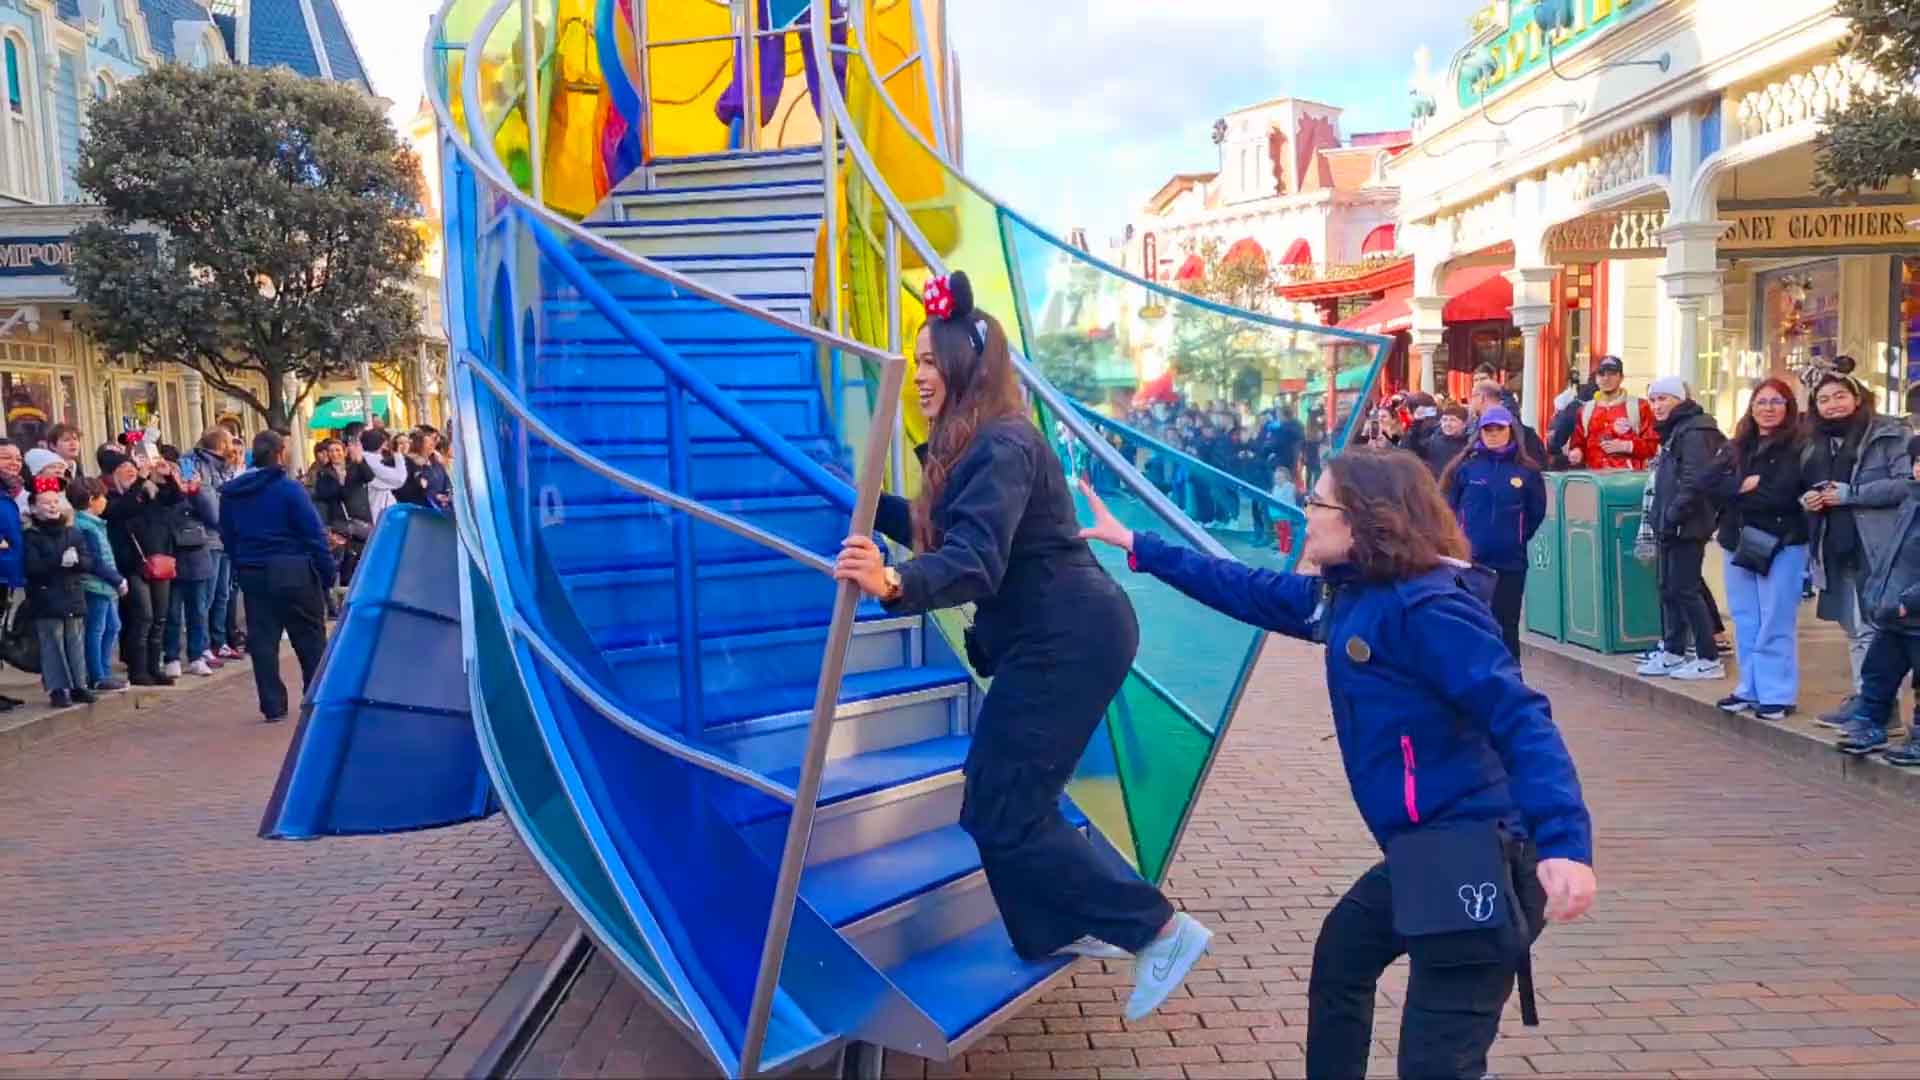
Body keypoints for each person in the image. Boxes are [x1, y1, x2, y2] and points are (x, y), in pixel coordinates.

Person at [1079, 447, 1594, 1080]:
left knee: (1437, 1066)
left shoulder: (1429, 610)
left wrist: (1565, 844)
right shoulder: (1355, 595)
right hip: (1426, 853)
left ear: (1363, 519)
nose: (1307, 514)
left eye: (1318, 502)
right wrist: (1138, 543)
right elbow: (1248, 589)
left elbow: (1521, 718)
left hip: (1485, 862)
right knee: (1343, 956)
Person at [830, 272, 1210, 1021]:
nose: (920, 378)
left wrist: (894, 582)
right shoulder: (980, 445)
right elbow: (947, 529)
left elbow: (972, 559)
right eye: (917, 363)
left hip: (1066, 637)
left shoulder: (1003, 443)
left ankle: (1160, 929)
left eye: (932, 363)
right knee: (1000, 803)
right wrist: (864, 500)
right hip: (1061, 634)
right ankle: (1055, 927)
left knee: (1003, 805)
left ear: (968, 367)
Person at [1801, 361, 1911, 729]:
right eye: (1823, 399)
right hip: (1835, 545)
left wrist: (1853, 495)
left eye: (1839, 396)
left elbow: (1905, 484)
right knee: (1854, 628)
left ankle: (1879, 709)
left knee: (1876, 629)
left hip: (1878, 547)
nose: (1832, 405)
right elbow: (1813, 485)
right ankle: (1868, 700)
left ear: (1857, 397)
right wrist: (1810, 500)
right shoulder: (1816, 442)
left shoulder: (1888, 433)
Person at [1706, 379, 1809, 721]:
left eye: (1776, 402)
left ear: (1788, 407)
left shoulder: (1800, 446)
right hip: (1738, 541)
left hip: (1782, 543)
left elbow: (1783, 494)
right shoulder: (1737, 446)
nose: (1768, 408)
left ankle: (1777, 693)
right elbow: (1708, 484)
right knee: (1746, 618)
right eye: (1761, 401)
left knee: (1775, 619)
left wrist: (1740, 492)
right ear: (1751, 407)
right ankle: (1749, 687)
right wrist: (1740, 487)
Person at [219, 429, 336, 722]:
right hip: (293, 569)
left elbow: (228, 535)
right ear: (280, 453)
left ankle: (272, 704)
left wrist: (242, 563)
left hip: (254, 571)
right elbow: (313, 534)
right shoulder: (289, 489)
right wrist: (326, 571)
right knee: (310, 639)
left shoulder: (234, 493)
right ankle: (315, 698)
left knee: (263, 640)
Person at [1637, 378, 1728, 680]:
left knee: (1685, 590)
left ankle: (1708, 656)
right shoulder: (1677, 430)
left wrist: (1674, 514)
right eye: (1654, 400)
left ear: (1680, 399)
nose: (1658, 405)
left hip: (1686, 524)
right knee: (1669, 588)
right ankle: (1673, 651)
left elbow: (1694, 480)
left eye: (1664, 398)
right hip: (1671, 523)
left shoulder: (1695, 431)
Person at [1836, 436, 1920, 759]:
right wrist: (1876, 593)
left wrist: (1908, 602)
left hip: (1910, 611)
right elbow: (1890, 556)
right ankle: (1871, 724)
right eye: (1916, 461)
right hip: (1893, 614)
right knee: (1878, 672)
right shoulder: (1910, 503)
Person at [1442, 406, 1548, 660]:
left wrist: (1516, 539)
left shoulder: (1527, 471)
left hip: (1510, 563)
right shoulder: (1465, 468)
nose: (1493, 434)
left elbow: (1536, 513)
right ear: (1479, 432)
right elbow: (1448, 509)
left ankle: (1511, 684)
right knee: (1472, 625)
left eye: (1499, 429)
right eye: (1488, 429)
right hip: (1471, 563)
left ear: (1510, 430)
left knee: (1506, 626)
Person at [99, 446, 180, 687]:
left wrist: (167, 479)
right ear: (113, 473)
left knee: (159, 618)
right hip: (132, 564)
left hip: (159, 561)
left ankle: (155, 667)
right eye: (124, 469)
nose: (131, 472)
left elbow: (173, 500)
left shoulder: (146, 493)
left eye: (132, 468)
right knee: (142, 616)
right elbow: (122, 510)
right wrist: (141, 482)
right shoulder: (112, 497)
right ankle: (138, 668)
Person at [22, 476, 94, 708]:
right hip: (46, 597)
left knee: (74, 641)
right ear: (34, 507)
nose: (52, 506)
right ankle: (57, 688)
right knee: (52, 643)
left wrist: (77, 562)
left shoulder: (72, 532)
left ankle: (79, 685)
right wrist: (58, 561)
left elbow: (88, 561)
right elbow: (32, 567)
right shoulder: (31, 536)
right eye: (46, 502)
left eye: (55, 501)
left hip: (72, 594)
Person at [68, 476, 127, 693]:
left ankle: (104, 670)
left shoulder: (94, 524)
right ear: (92, 499)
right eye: (102, 497)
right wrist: (117, 579)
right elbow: (95, 561)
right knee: (97, 629)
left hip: (105, 585)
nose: (105, 502)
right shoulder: (85, 526)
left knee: (113, 626)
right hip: (95, 585)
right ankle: (97, 675)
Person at [190, 429, 243, 663]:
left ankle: (219, 640)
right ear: (221, 444)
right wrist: (225, 524)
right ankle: (201, 646)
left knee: (223, 594)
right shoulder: (201, 466)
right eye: (230, 441)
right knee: (207, 597)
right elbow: (209, 503)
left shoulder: (224, 467)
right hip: (211, 538)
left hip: (224, 539)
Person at [1566, 356, 1658, 470]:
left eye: (1612, 374)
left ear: (1621, 377)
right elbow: (1578, 443)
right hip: (1596, 480)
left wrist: (1627, 446)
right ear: (1596, 378)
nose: (1606, 378)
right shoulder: (1585, 410)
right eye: (1601, 374)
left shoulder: (1639, 406)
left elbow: (1652, 447)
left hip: (1629, 481)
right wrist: (1576, 452)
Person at [1470, 380, 1548, 463]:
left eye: (1472, 396)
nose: (1471, 401)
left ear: (1481, 398)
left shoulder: (1505, 423)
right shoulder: (1517, 424)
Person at [1420, 403, 1473, 479]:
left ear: (1464, 424)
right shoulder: (1433, 442)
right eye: (1444, 420)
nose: (1447, 424)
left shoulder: (1469, 446)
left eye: (1453, 420)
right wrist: (1416, 424)